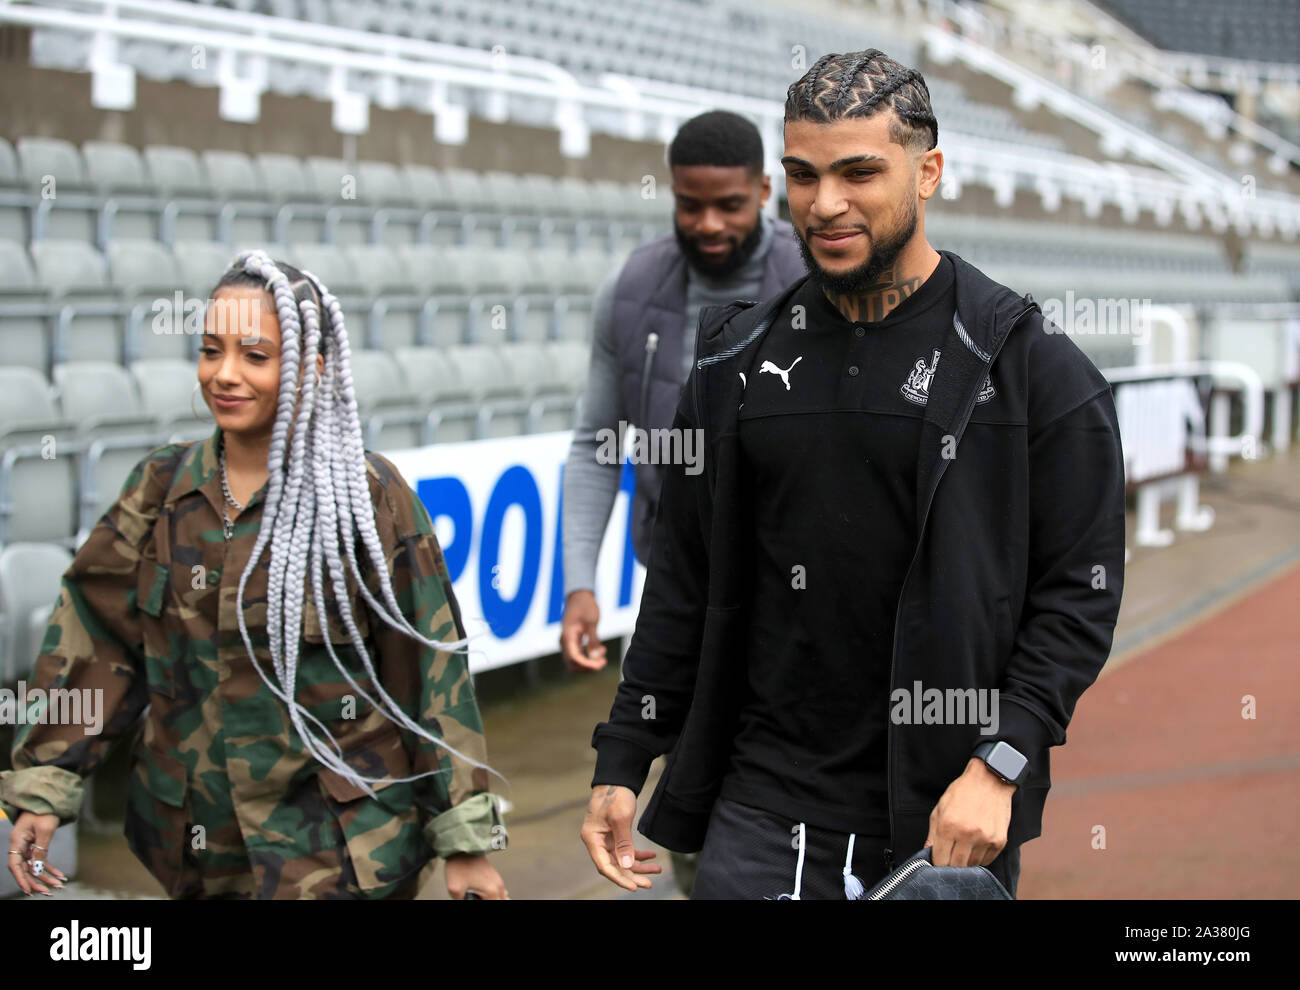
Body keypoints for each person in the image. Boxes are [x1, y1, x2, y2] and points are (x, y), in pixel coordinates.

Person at [579, 50, 1126, 899]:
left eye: (859, 173)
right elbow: (683, 579)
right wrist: (624, 756)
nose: (824, 204)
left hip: (942, 817)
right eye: (802, 174)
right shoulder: (731, 360)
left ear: (929, 171)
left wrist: (1003, 759)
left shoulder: (1030, 367)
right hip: (755, 809)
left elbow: (1077, 596)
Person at [1, 250, 509, 899]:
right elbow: (95, 641)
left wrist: (463, 837)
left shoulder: (367, 496)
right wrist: (47, 784)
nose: (224, 374)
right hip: (199, 849)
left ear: (312, 368)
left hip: (340, 854)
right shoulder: (161, 488)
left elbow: (431, 675)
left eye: (255, 356)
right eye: (211, 351)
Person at [559, 109, 807, 895]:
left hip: (798, 602)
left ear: (765, 191)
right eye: (688, 203)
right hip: (678, 597)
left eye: (729, 205)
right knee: (682, 791)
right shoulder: (633, 289)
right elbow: (595, 443)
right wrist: (579, 582)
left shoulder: (817, 280)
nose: (707, 222)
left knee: (785, 793)